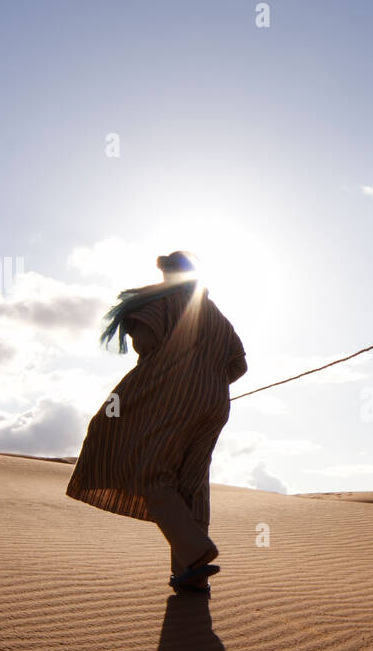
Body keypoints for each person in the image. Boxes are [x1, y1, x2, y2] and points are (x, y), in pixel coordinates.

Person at [66, 251, 247, 592]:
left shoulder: (161, 303)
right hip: (213, 403)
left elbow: (146, 343)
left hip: (168, 393)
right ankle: (190, 577)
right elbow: (239, 366)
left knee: (150, 469)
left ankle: (194, 551)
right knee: (190, 482)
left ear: (170, 274)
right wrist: (208, 381)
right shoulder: (219, 318)